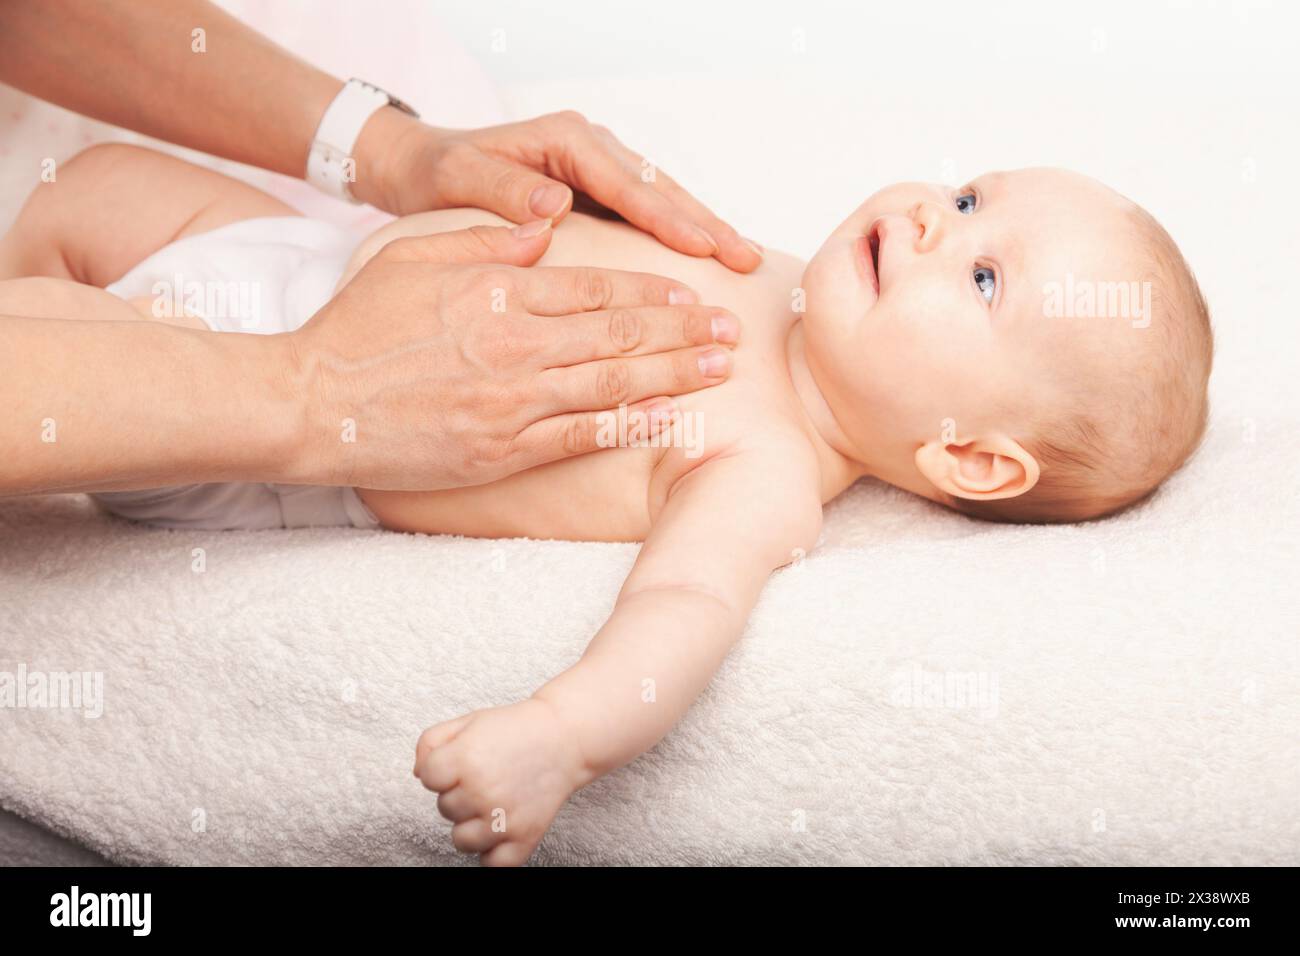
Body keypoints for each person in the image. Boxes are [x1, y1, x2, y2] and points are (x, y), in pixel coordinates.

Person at [1, 143, 1212, 863]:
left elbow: (680, 607)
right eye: (964, 196)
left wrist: (560, 735)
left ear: (971, 460)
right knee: (92, 180)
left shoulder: (762, 465)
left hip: (241, 438)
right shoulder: (780, 273)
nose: (929, 224)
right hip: (307, 258)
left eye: (983, 274)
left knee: (60, 349)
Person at [0, 0, 761, 496]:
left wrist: (394, 152)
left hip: (307, 267)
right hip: (259, 397)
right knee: (74, 289)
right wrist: (314, 392)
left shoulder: (768, 467)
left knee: (92, 192)